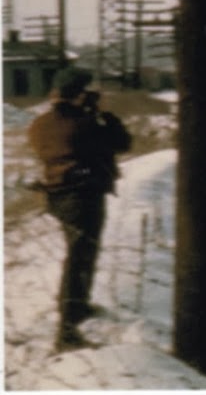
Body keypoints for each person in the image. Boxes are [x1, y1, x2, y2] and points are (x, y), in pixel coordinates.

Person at [27, 67, 133, 353]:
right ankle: (67, 333)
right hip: (83, 197)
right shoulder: (87, 125)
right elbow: (123, 143)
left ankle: (77, 309)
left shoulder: (39, 123)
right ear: (80, 94)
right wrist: (105, 115)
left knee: (79, 255)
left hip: (57, 195)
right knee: (80, 258)